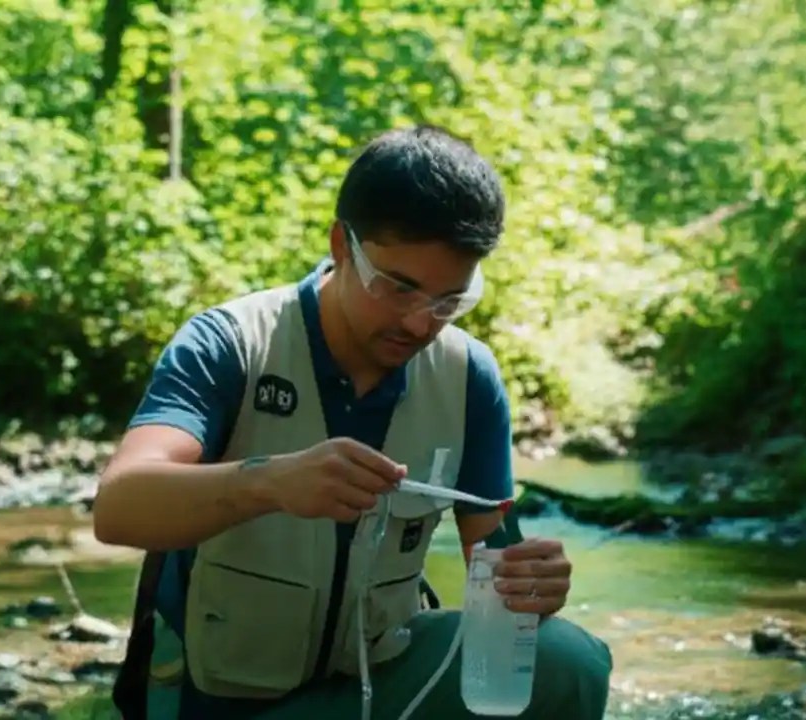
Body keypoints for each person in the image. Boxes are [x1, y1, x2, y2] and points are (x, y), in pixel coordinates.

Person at [93, 124, 614, 719]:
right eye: (398, 287)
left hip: (374, 688)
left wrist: (532, 586)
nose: (422, 324)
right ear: (343, 245)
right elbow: (118, 508)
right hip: (216, 705)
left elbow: (495, 561)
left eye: (450, 300)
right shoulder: (229, 344)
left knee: (570, 661)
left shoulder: (469, 378)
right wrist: (269, 482)